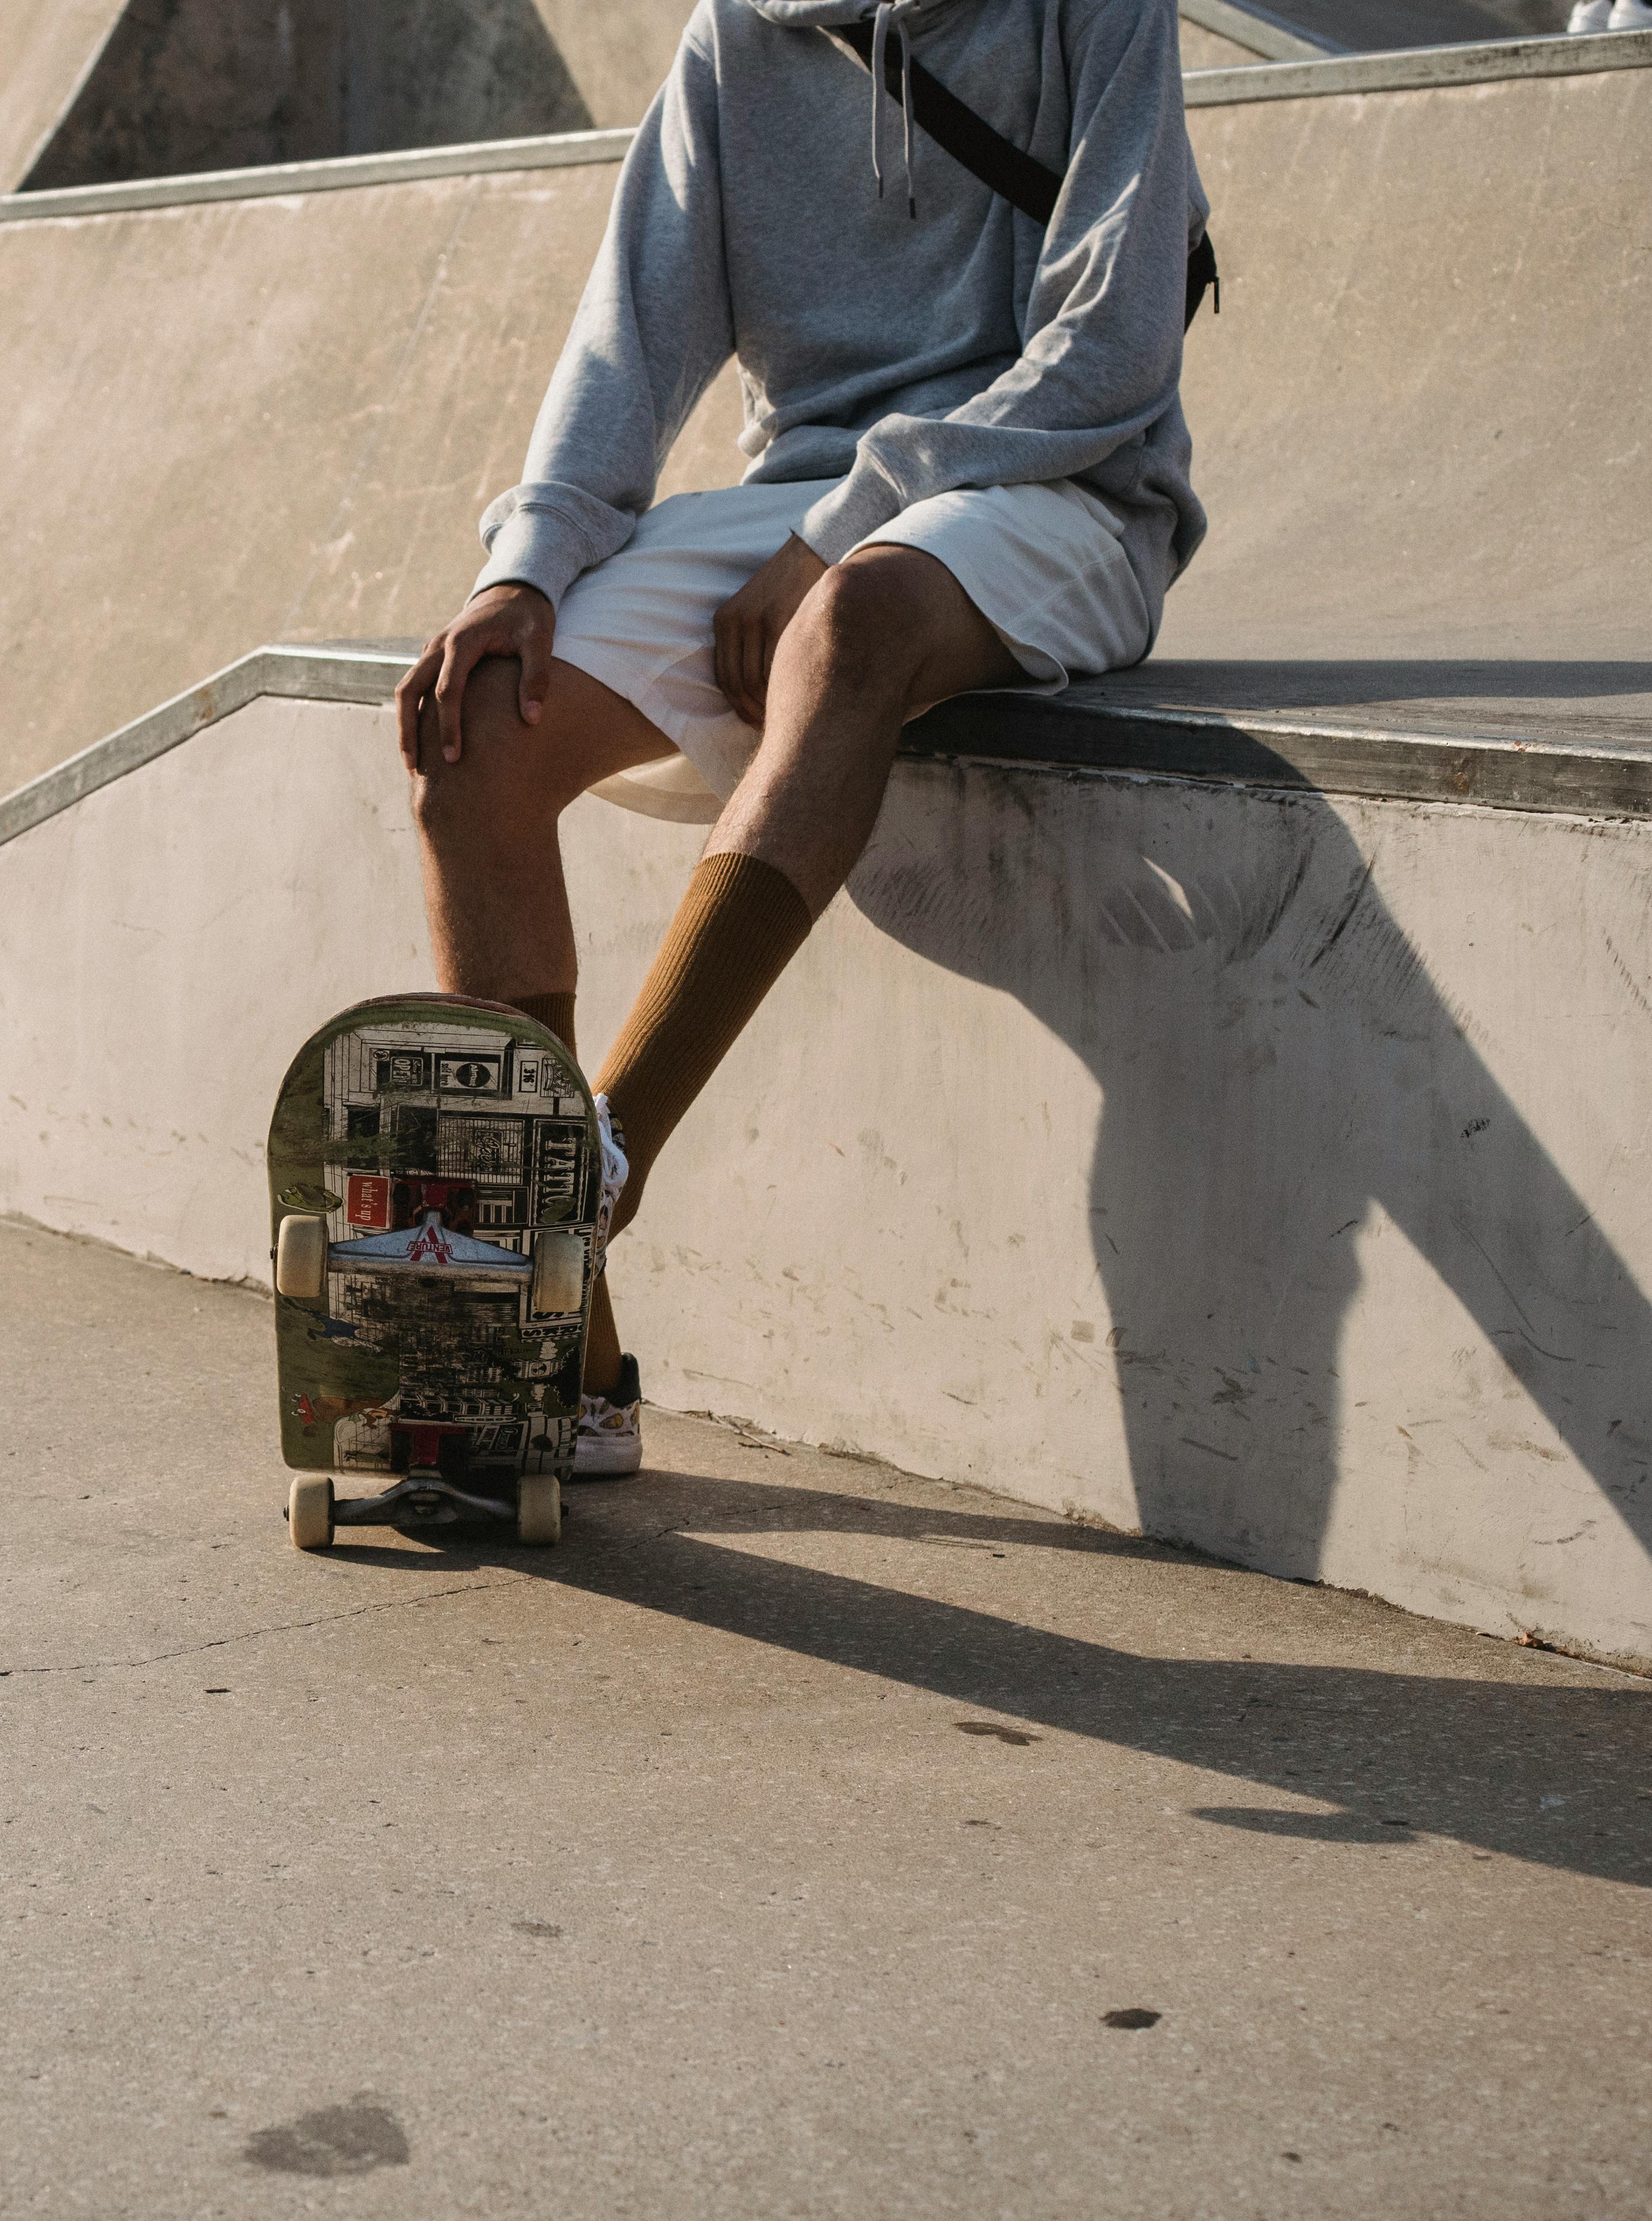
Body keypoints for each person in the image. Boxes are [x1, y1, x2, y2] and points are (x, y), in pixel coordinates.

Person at [393, 0, 1205, 1478]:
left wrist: (845, 528)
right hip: (815, 498)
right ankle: (561, 1369)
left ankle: (590, 1171)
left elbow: (1110, 352)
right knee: (473, 735)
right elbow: (627, 341)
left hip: (1065, 492)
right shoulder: (738, 39)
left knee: (848, 624)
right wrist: (522, 568)